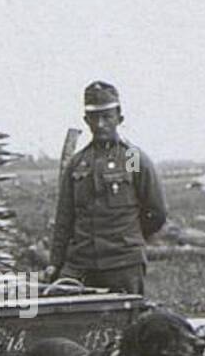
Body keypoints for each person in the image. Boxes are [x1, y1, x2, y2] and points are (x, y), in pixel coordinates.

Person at [46, 80, 167, 295]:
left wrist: (129, 238)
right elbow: (64, 219)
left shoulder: (131, 158)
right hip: (81, 264)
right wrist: (55, 263)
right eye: (94, 118)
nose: (100, 124)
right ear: (86, 120)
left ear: (119, 118)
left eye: (107, 117)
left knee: (129, 323)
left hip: (123, 263)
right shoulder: (77, 163)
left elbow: (156, 212)